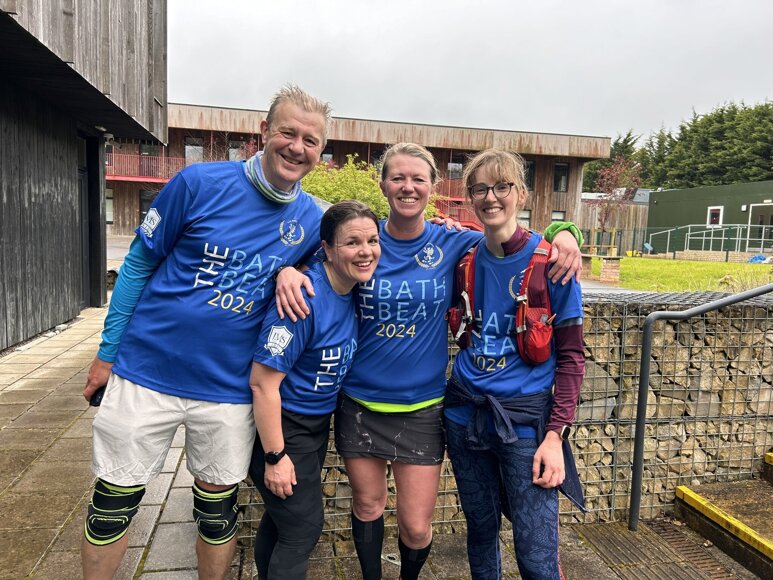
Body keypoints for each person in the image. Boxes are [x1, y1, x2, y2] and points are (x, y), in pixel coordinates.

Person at [276, 143, 584, 579]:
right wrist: (286, 271)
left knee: (427, 528)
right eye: (397, 177)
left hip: (432, 406)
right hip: (366, 402)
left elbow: (515, 239)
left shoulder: (456, 241)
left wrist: (567, 232)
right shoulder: (363, 238)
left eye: (418, 178)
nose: (407, 186)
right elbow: (318, 255)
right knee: (384, 510)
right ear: (382, 184)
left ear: (434, 188)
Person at [80, 85, 332, 580]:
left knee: (216, 515)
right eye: (288, 132)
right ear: (264, 132)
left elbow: (351, 261)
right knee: (112, 504)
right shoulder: (197, 183)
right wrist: (106, 354)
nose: (297, 147)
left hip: (228, 390)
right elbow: (135, 268)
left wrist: (292, 271)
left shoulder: (313, 221)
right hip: (144, 373)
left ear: (321, 151)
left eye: (311, 140)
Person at [444, 149, 585, 579]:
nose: (491, 197)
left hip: (525, 424)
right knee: (481, 529)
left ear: (520, 193)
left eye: (502, 186)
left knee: (536, 549)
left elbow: (572, 358)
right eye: (481, 188)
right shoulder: (465, 258)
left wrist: (555, 436)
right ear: (470, 196)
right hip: (464, 413)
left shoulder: (552, 264)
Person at [249, 201, 380, 579]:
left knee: (282, 522)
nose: (366, 250)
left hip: (316, 424)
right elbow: (262, 383)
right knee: (302, 528)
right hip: (283, 427)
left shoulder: (353, 288)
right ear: (326, 248)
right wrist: (275, 456)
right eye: (352, 243)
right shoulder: (302, 299)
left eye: (372, 240)